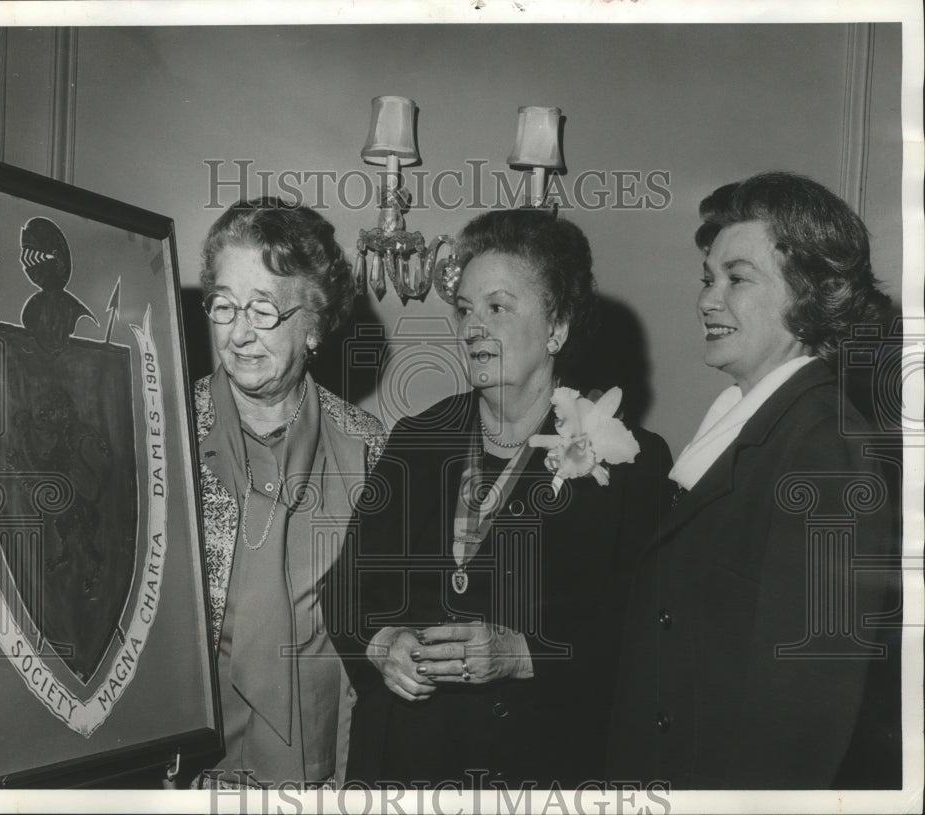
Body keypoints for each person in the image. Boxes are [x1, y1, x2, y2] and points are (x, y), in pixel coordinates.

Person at [324, 208, 673, 788]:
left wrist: (523, 654)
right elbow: (344, 589)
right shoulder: (418, 437)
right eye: (464, 309)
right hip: (407, 766)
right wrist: (382, 641)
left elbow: (650, 630)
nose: (472, 328)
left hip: (540, 772)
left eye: (498, 307)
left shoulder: (633, 459)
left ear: (557, 326)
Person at [606, 171, 902, 788]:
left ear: (810, 295)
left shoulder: (828, 447)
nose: (708, 300)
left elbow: (804, 711)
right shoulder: (752, 422)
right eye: (708, 278)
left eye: (737, 279)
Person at [191, 198, 386, 788]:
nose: (240, 333)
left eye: (266, 309)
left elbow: (381, 617)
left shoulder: (368, 447)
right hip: (194, 770)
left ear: (317, 322)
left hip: (325, 767)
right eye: (224, 305)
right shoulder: (163, 429)